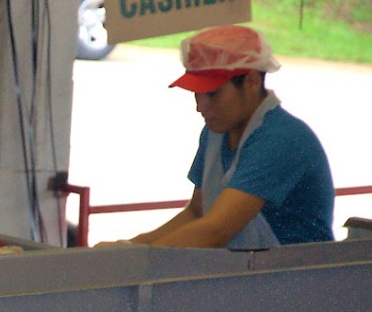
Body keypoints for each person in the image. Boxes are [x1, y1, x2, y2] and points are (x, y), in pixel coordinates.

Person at [124, 25, 335, 249]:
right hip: (250, 273)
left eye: (212, 94)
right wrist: (130, 247)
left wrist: (138, 261)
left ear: (252, 82)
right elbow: (197, 211)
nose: (200, 106)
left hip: (297, 277)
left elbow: (215, 230)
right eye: (197, 93)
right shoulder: (215, 132)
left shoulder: (280, 139)